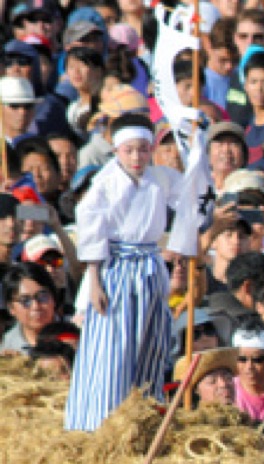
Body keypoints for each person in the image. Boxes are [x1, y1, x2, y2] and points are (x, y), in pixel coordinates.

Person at [65, 114, 199, 432]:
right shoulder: (105, 184)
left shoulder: (160, 178)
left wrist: (198, 151)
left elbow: (192, 193)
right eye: (130, 150)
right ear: (117, 151)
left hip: (150, 267)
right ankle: (101, 422)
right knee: (114, 348)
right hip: (116, 269)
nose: (137, 157)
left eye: (143, 150)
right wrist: (94, 280)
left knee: (149, 344)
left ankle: (144, 414)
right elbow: (93, 231)